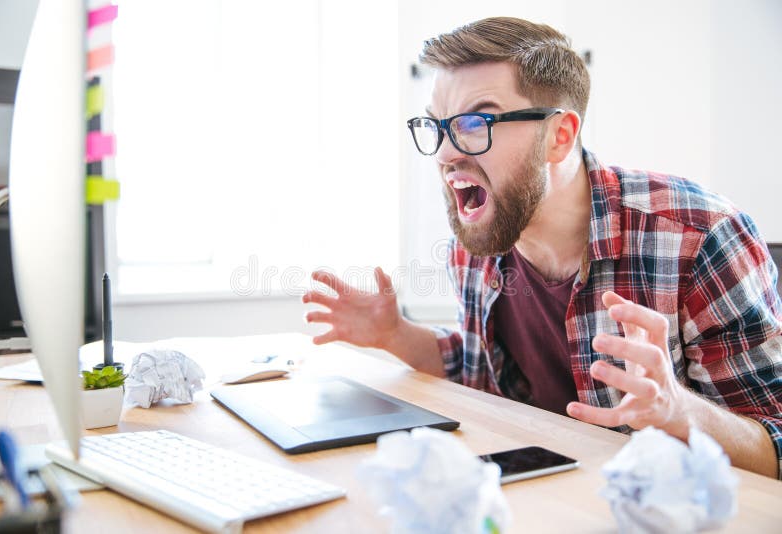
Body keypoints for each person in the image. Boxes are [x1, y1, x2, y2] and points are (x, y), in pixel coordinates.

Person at [301, 16, 782, 479]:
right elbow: (477, 369)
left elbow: (775, 445)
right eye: (437, 126)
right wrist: (395, 334)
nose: (446, 153)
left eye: (475, 121)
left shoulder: (700, 238)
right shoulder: (477, 245)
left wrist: (681, 412)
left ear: (559, 136)